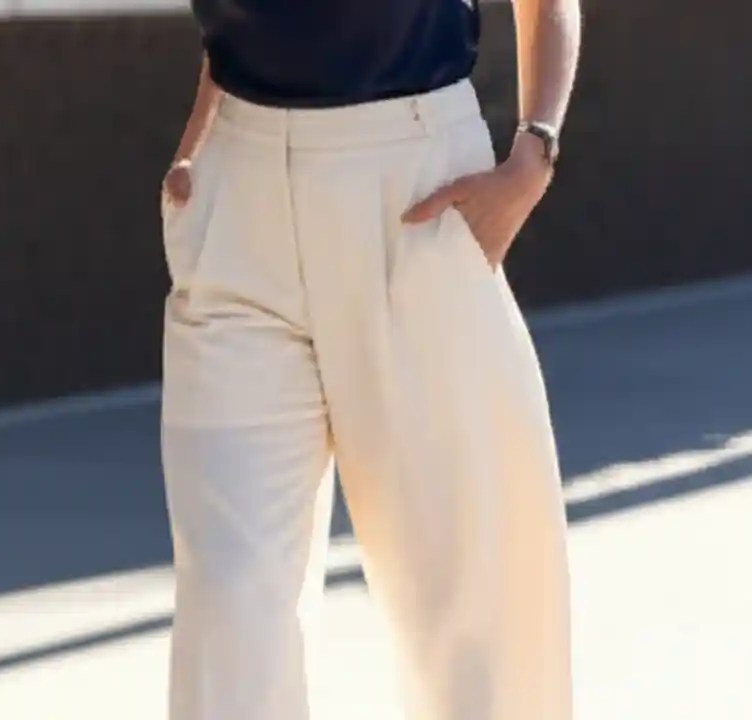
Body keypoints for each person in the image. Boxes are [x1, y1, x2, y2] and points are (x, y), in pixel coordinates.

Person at [157, 0, 581, 718]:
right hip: (240, 205)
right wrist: (197, 144)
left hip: (415, 188)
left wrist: (534, 151)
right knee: (231, 605)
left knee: (470, 610)